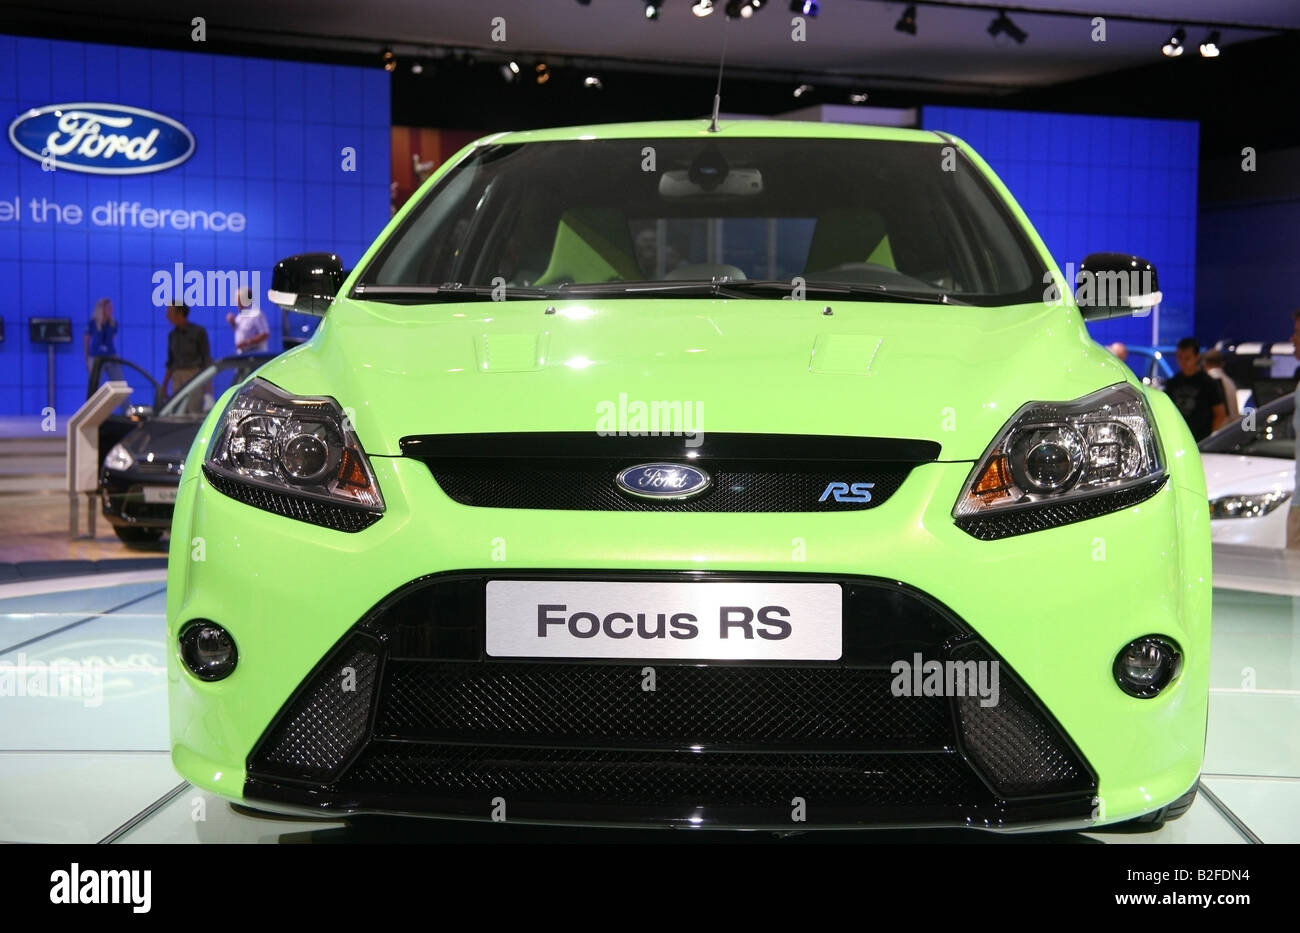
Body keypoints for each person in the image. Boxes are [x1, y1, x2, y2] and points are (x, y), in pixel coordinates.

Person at [1163, 337, 1226, 442]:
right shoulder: (1173, 383)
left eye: (1187, 358)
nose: (1183, 362)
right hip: (1178, 438)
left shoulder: (1208, 383)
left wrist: (1209, 438)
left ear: (1197, 357)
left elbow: (1220, 414)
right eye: (1179, 357)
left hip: (1201, 440)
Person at [163, 303, 211, 414]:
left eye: (169, 312)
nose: (167, 316)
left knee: (194, 411)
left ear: (179, 313)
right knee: (177, 411)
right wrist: (165, 384)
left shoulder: (199, 332)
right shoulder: (172, 335)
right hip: (177, 377)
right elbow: (171, 361)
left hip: (194, 375)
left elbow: (206, 359)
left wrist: (208, 386)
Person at [85, 297, 122, 382]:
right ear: (101, 309)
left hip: (111, 355)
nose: (111, 310)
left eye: (111, 308)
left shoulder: (113, 324)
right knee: (96, 383)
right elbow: (86, 342)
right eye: (108, 308)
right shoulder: (92, 323)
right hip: (96, 356)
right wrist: (87, 359)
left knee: (119, 381)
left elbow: (112, 340)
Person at [225, 287, 270, 355]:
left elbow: (265, 334)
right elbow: (242, 331)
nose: (236, 301)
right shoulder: (239, 316)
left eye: (238, 298)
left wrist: (247, 342)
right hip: (243, 355)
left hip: (256, 356)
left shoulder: (257, 314)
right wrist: (232, 323)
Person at [1202, 349, 1240, 420]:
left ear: (1204, 364)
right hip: (1231, 427)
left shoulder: (1208, 382)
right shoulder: (1230, 381)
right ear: (1222, 363)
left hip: (1218, 428)